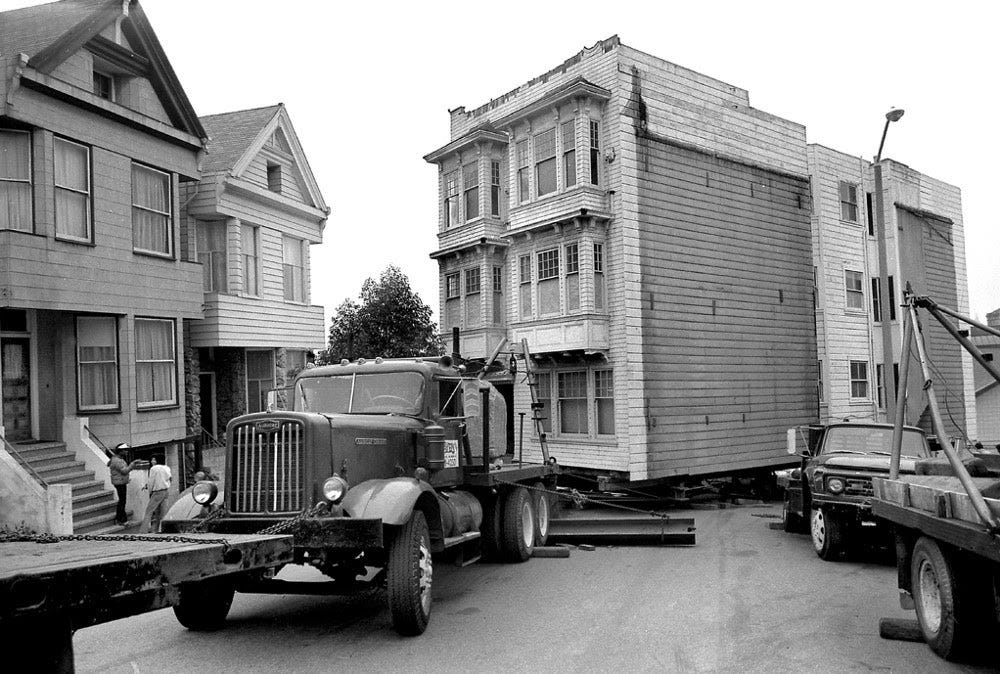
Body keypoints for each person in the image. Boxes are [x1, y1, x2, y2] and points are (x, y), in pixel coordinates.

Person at [107, 443, 140, 525]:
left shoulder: (116, 459)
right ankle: (122, 519)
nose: (127, 452)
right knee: (122, 501)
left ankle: (120, 518)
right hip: (120, 483)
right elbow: (124, 471)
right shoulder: (117, 461)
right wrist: (132, 465)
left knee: (122, 500)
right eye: (125, 450)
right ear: (120, 451)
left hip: (120, 481)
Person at [140, 455, 172, 533]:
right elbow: (170, 479)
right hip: (165, 491)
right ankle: (160, 530)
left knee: (149, 511)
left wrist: (150, 492)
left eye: (154, 460)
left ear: (157, 460)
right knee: (162, 512)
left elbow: (151, 481)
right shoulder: (166, 468)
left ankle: (143, 531)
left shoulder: (154, 469)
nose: (152, 461)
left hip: (157, 492)